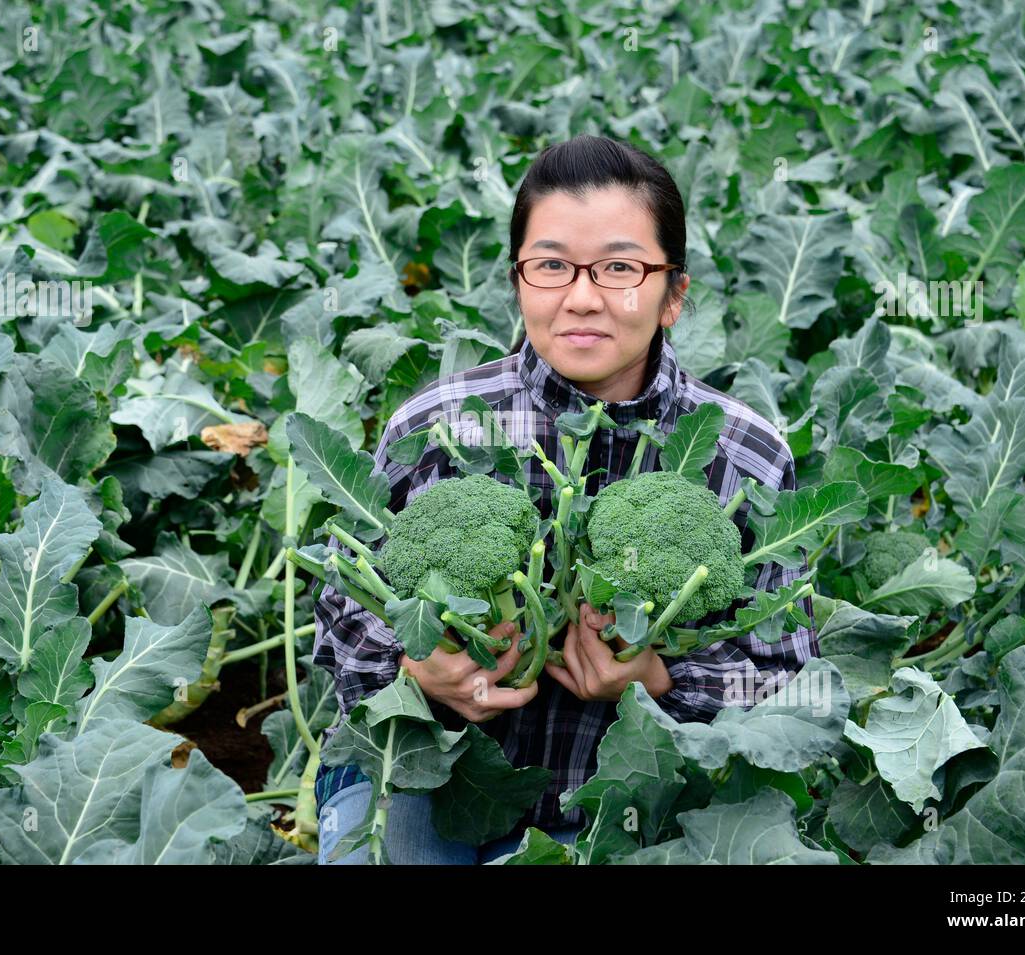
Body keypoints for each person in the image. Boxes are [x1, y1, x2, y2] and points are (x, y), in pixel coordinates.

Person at [311, 134, 818, 865]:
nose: (582, 296)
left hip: (628, 798)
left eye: (619, 267)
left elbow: (783, 677)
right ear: (518, 280)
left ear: (674, 292)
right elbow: (339, 622)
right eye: (550, 265)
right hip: (425, 763)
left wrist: (655, 678)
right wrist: (414, 664)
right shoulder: (438, 426)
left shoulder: (746, 453)